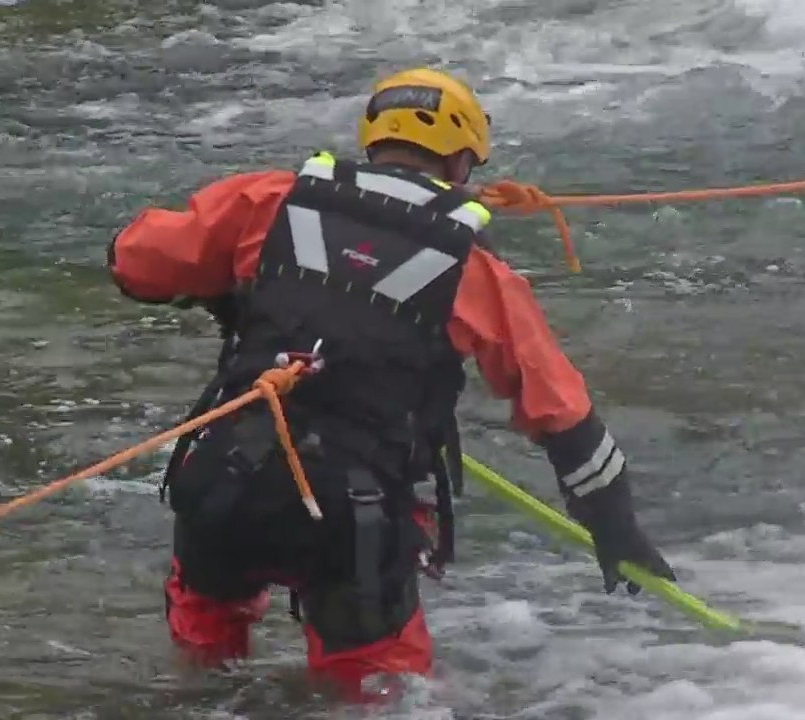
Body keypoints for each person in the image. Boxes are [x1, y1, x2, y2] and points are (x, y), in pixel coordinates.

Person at [106, 67, 675, 699]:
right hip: (353, 514)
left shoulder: (269, 200)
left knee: (203, 665)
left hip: (223, 482)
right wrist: (617, 528)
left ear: (371, 141)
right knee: (376, 690)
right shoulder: (474, 269)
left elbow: (134, 260)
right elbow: (564, 418)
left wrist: (227, 291)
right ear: (461, 161)